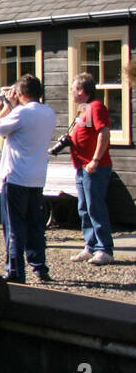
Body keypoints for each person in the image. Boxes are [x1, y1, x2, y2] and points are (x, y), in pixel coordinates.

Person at [0, 74, 56, 283]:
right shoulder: (49, 113)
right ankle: (39, 267)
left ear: (20, 94)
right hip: (37, 177)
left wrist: (7, 106)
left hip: (16, 176)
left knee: (14, 225)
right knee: (35, 224)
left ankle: (15, 270)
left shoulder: (20, 113)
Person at [67, 73, 114, 265]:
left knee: (95, 207)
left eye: (73, 88)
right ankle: (90, 245)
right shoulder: (83, 109)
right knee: (84, 208)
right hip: (81, 166)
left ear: (82, 90)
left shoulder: (96, 107)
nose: (70, 92)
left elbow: (104, 132)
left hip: (95, 167)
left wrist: (95, 159)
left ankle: (105, 249)